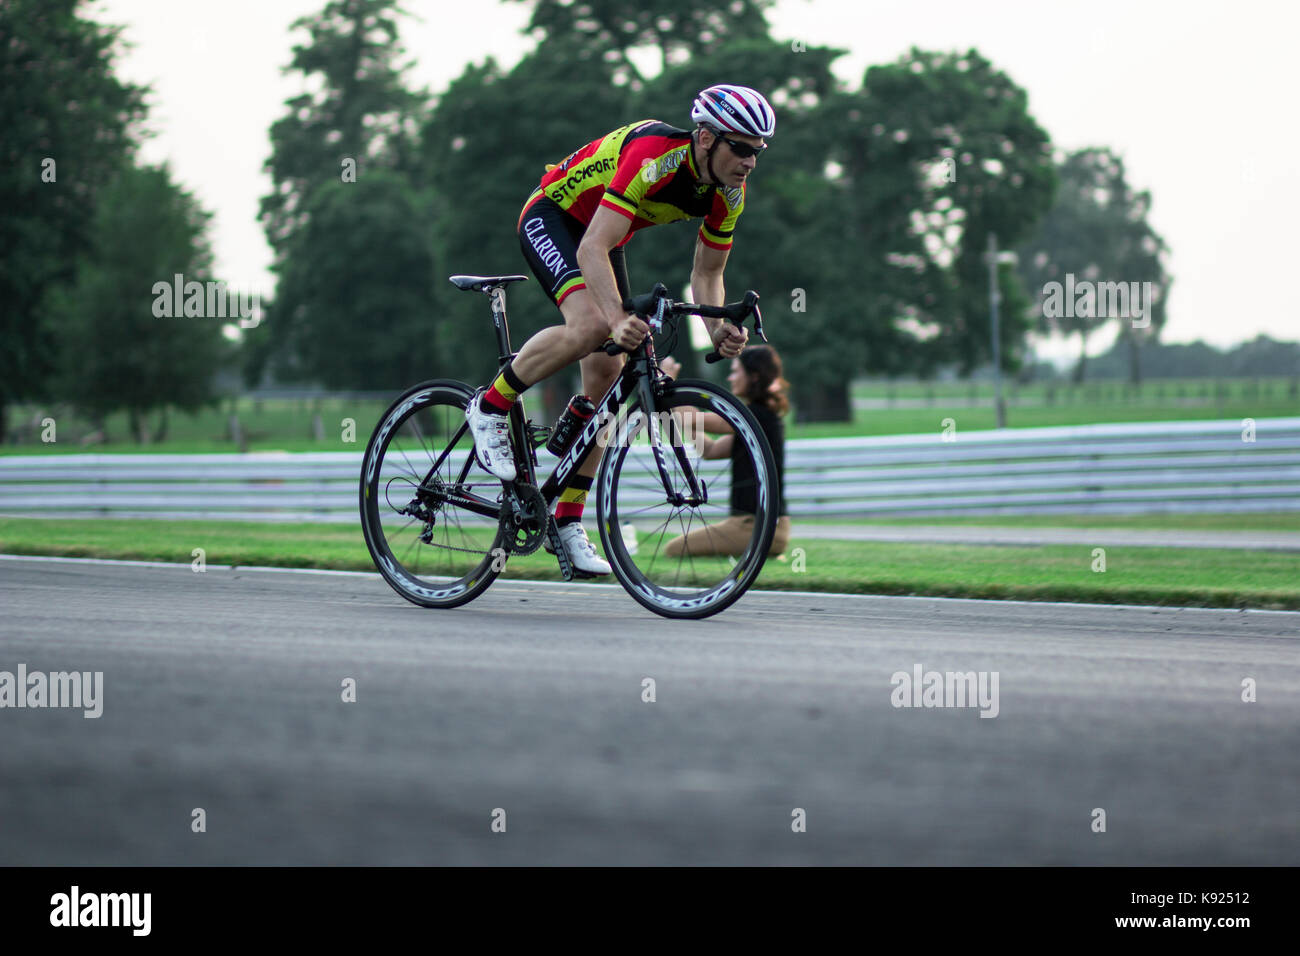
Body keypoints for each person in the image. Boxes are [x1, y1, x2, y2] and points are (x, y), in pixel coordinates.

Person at [464, 85, 776, 576]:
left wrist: (717, 329)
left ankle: (565, 519)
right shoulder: (654, 159)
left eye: (758, 150)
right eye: (740, 147)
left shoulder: (729, 192)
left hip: (606, 234)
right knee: (592, 326)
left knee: (612, 379)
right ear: (705, 138)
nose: (750, 161)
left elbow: (708, 274)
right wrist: (614, 319)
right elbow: (589, 250)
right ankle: (491, 405)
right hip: (555, 218)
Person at [658, 346, 791, 558]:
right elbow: (709, 450)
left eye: (736, 371)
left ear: (754, 376)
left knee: (673, 549)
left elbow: (692, 419)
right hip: (773, 528)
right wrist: (684, 416)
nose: (731, 378)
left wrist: (666, 385)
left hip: (751, 526)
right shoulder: (763, 418)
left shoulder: (754, 415)